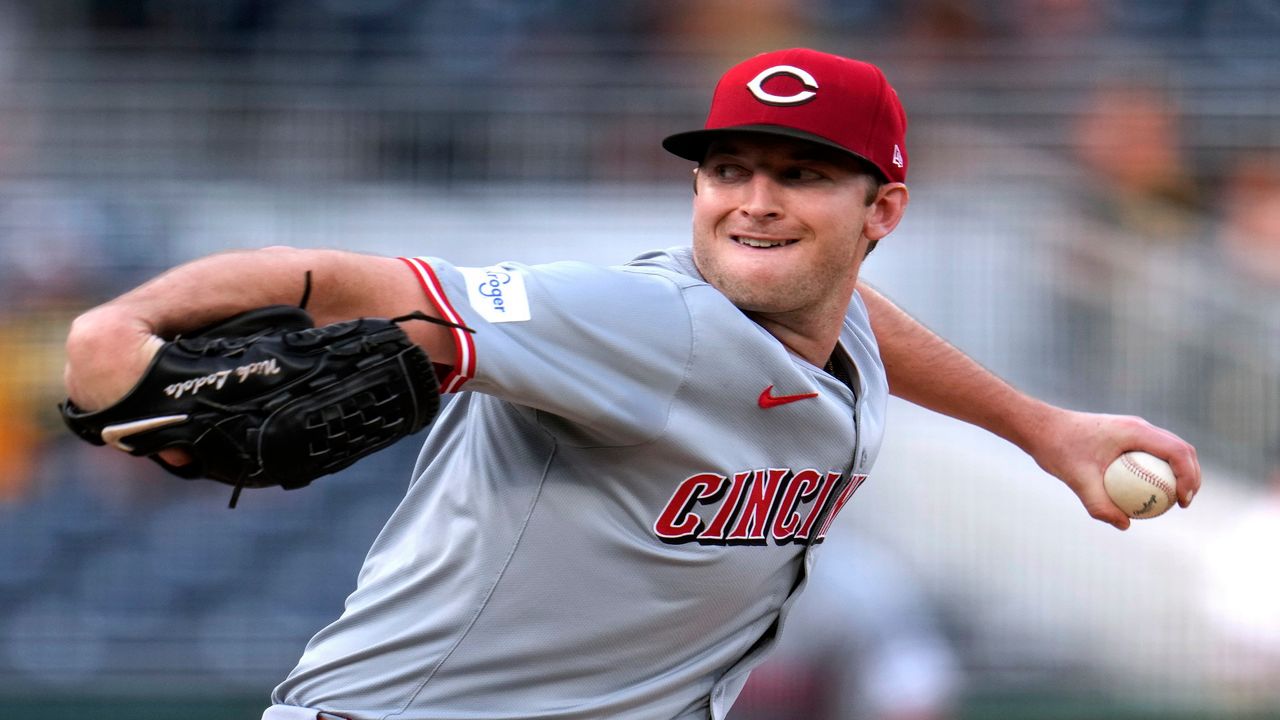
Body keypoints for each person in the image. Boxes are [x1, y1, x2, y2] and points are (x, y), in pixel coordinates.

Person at [62, 49, 1200, 720]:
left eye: (799, 175)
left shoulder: (822, 332)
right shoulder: (641, 321)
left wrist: (1041, 426)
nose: (753, 200)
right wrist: (131, 318)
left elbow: (846, 312)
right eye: (727, 169)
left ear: (879, 214)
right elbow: (366, 278)